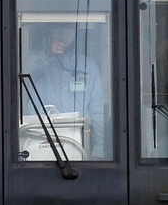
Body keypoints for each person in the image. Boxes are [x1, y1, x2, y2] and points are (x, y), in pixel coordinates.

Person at [25, 25, 108, 158]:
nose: (62, 33)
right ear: (50, 31)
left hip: (79, 139)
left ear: (75, 32)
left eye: (67, 28)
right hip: (40, 137)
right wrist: (48, 54)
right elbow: (22, 74)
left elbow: (97, 110)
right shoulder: (37, 60)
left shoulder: (88, 66)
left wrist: (98, 149)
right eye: (57, 27)